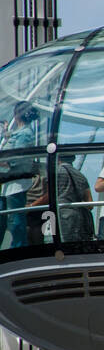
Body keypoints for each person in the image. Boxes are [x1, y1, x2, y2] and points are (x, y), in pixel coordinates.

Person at [0, 101, 40, 248]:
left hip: (15, 183)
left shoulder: (25, 134)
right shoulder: (22, 133)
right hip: (7, 183)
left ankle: (18, 247)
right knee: (4, 218)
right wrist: (5, 133)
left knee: (15, 219)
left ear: (17, 115)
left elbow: (16, 159)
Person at [55, 160, 93, 242]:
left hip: (61, 214)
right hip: (78, 216)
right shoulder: (80, 175)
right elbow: (90, 204)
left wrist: (32, 205)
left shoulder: (57, 171)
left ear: (58, 159)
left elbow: (48, 195)